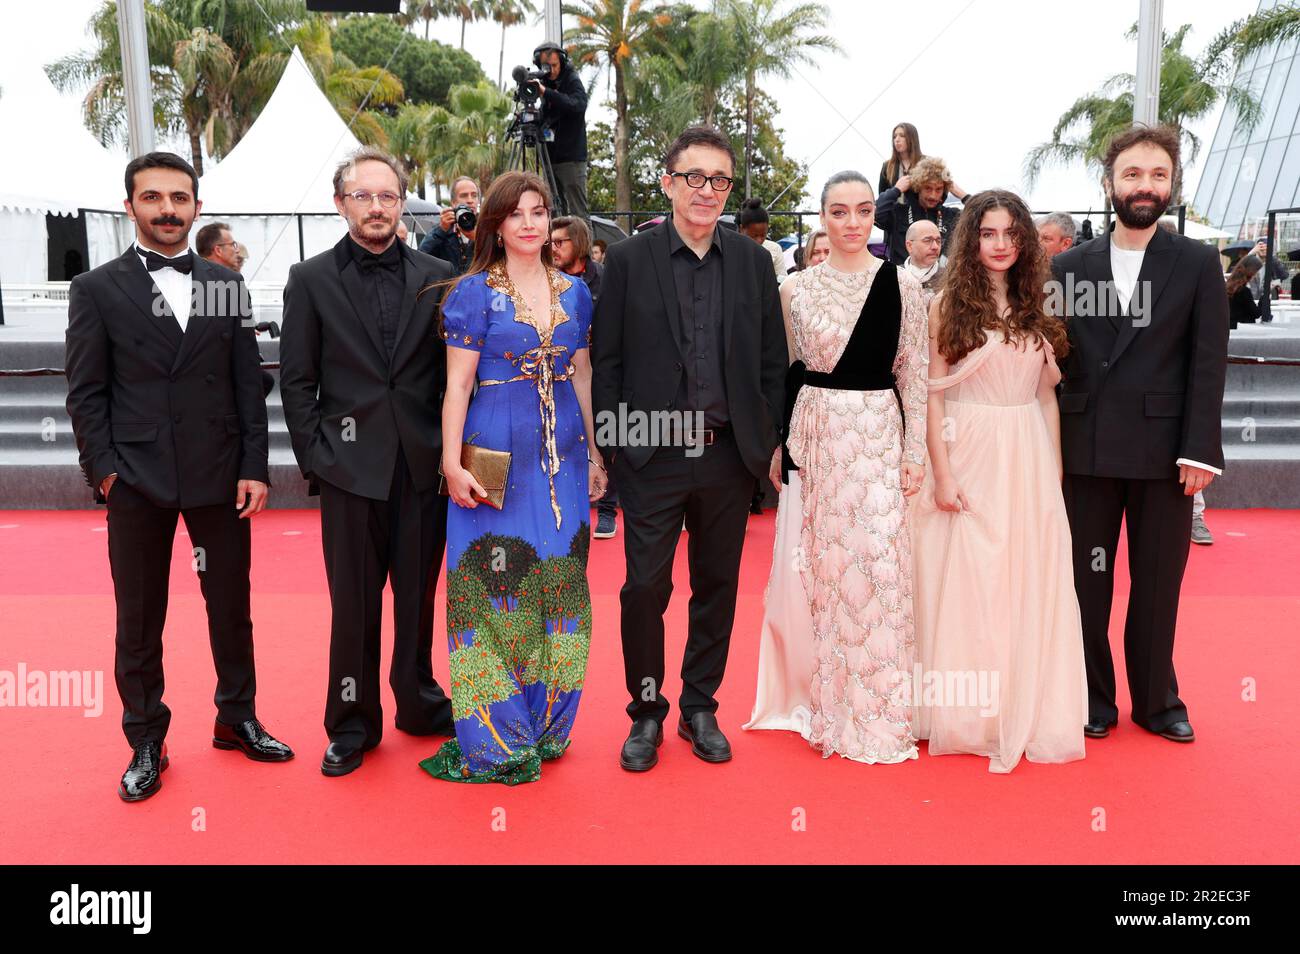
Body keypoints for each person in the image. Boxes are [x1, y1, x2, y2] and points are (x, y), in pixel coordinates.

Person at [65, 151, 292, 802]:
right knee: (138, 618)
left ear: (197, 206)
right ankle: (146, 739)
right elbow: (85, 393)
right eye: (154, 197)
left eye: (180, 198)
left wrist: (255, 466)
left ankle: (237, 716)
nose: (168, 209)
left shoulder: (227, 286)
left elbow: (250, 385)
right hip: (135, 478)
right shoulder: (97, 289)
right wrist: (105, 474)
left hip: (220, 473)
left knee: (232, 607)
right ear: (130, 204)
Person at [593, 125, 787, 772]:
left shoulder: (754, 263)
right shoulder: (625, 261)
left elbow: (768, 364)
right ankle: (646, 710)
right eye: (695, 177)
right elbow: (609, 361)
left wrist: (764, 445)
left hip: (729, 456)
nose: (708, 191)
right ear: (668, 182)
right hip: (652, 454)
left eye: (720, 180)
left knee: (717, 584)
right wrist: (614, 446)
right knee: (643, 589)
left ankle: (700, 705)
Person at [279, 147, 457, 778]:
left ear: (402, 202)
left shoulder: (439, 274)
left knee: (416, 597)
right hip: (349, 473)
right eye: (363, 196)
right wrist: (318, 460)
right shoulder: (310, 279)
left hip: (421, 469)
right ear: (341, 204)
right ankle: (351, 723)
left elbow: (450, 378)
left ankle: (416, 700)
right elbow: (296, 382)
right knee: (353, 606)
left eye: (387, 196)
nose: (376, 207)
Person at [421, 171, 602, 784]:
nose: (530, 222)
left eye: (540, 210)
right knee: (492, 588)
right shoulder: (472, 294)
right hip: (492, 454)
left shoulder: (576, 294)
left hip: (563, 459)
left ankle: (548, 723)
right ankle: (497, 736)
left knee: (561, 586)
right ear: (496, 224)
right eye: (516, 213)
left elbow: (582, 376)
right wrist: (450, 461)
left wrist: (597, 452)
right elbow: (458, 387)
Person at [1052, 124, 1229, 745]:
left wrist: (1202, 449)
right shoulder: (1068, 266)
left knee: (1158, 584)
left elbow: (1209, 361)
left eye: (1157, 174)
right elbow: (1051, 360)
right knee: (1086, 584)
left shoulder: (1199, 262)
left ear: (1171, 184)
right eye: (1132, 174)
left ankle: (1157, 701)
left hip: (1164, 454)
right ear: (1110, 184)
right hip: (1086, 451)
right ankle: (1090, 697)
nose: (1145, 185)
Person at [745, 171, 928, 764]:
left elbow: (916, 376)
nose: (851, 222)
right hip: (816, 432)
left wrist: (915, 449)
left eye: (861, 211)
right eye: (838, 211)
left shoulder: (905, 287)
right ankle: (829, 704)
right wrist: (778, 445)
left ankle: (879, 710)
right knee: (825, 571)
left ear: (874, 217)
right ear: (821, 217)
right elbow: (785, 374)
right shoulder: (794, 290)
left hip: (877, 429)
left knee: (879, 566)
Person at [911, 190, 1087, 773]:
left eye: (1012, 233)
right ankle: (967, 713)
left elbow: (1046, 394)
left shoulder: (1039, 303)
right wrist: (942, 470)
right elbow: (930, 399)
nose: (1001, 244)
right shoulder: (944, 307)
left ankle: (1019, 702)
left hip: (1028, 452)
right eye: (988, 233)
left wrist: (1053, 468)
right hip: (968, 445)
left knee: (1023, 575)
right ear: (971, 240)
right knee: (969, 578)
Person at [875, 155, 970, 265]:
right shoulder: (898, 213)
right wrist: (896, 189)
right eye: (928, 188)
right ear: (918, 187)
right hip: (903, 279)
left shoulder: (951, 215)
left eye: (938, 189)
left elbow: (983, 219)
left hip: (940, 280)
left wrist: (963, 195)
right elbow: (876, 213)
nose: (933, 196)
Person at [533, 41, 588, 221]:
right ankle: (557, 247)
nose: (551, 70)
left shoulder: (571, 79)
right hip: (550, 158)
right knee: (555, 210)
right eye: (546, 66)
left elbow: (578, 105)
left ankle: (584, 250)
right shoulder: (545, 82)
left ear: (562, 62)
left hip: (571, 159)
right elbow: (549, 115)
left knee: (578, 212)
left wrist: (546, 92)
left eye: (554, 65)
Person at [419, 175, 479, 275]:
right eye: (464, 195)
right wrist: (441, 230)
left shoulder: (487, 229)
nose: (470, 200)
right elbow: (420, 258)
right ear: (453, 203)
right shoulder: (444, 230)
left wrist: (477, 237)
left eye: (474, 195)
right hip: (448, 289)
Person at [551, 214, 603, 304]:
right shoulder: (548, 280)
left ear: (577, 242)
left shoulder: (604, 277)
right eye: (550, 243)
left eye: (558, 242)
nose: (553, 249)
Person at [737, 197, 787, 284]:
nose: (759, 240)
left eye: (763, 235)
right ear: (742, 229)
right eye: (754, 236)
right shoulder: (729, 249)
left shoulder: (774, 249)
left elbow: (783, 281)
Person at [902, 219, 945, 307]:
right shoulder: (894, 277)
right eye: (927, 241)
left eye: (938, 241)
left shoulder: (951, 279)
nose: (935, 247)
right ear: (910, 246)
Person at [879, 122, 923, 195]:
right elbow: (882, 197)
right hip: (894, 206)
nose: (897, 140)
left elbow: (939, 192)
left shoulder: (926, 163)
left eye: (902, 136)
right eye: (894, 137)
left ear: (912, 138)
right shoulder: (887, 166)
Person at [1226, 255, 1262, 328]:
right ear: (1251, 271)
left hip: (1230, 327)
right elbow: (1256, 313)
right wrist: (1263, 301)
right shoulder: (1244, 291)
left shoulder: (1228, 286)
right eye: (1257, 271)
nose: (1257, 274)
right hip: (1243, 329)